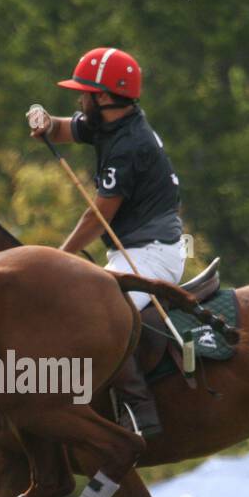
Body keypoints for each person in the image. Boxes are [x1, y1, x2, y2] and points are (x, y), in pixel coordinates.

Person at [26, 47, 183, 437]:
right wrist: (45, 122)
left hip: (152, 255)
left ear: (104, 96)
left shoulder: (131, 145)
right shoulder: (110, 122)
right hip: (132, 249)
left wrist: (57, 261)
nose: (79, 99)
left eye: (84, 92)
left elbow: (97, 217)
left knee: (97, 318)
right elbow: (64, 128)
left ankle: (138, 410)